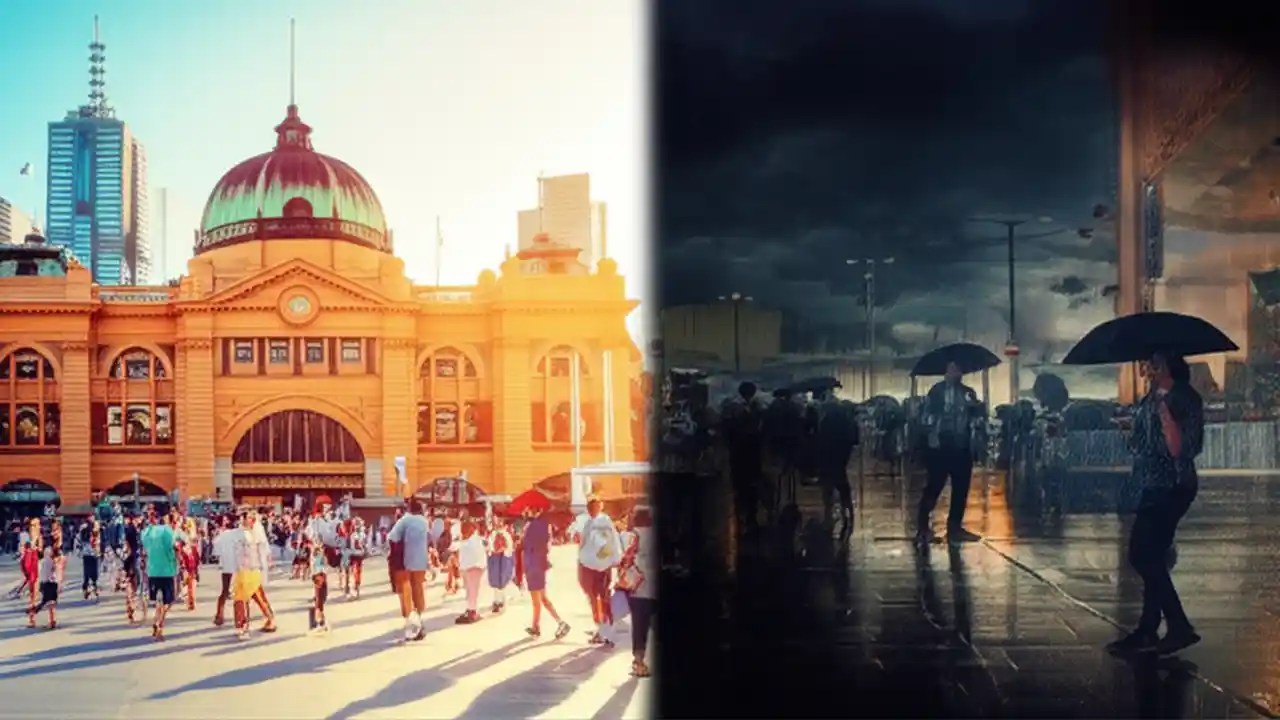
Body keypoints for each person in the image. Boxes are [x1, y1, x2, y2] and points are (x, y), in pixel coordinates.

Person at [1107, 352, 1204, 656]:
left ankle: (1178, 626)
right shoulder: (1148, 397)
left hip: (1173, 485)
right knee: (1152, 555)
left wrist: (1164, 414)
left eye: (1151, 363)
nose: (1145, 368)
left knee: (1141, 554)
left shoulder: (1184, 397)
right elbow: (1141, 444)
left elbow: (1183, 449)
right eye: (1145, 363)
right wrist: (1128, 430)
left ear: (1165, 365)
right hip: (1150, 484)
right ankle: (1149, 629)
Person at [917, 361, 984, 545]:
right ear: (947, 371)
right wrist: (933, 433)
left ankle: (955, 527)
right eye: (954, 369)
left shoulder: (968, 392)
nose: (957, 373)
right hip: (941, 446)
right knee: (934, 486)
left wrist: (977, 409)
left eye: (960, 370)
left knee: (961, 488)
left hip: (962, 445)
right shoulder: (937, 391)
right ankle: (922, 527)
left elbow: (976, 417)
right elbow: (926, 416)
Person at [578, 496, 624, 647]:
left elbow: (611, 542)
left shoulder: (604, 522)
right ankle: (601, 629)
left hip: (601, 566)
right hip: (590, 566)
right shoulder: (589, 523)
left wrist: (609, 560)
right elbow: (584, 543)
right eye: (590, 508)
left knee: (603, 598)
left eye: (595, 507)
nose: (592, 510)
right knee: (593, 597)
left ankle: (608, 632)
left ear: (600, 507)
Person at [521, 508, 571, 640]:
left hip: (534, 564)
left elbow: (533, 546)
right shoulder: (541, 525)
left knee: (540, 599)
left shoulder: (536, 525)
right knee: (540, 598)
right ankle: (536, 626)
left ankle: (559, 622)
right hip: (536, 564)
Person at [387, 498, 431, 642]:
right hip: (421, 562)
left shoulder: (405, 520)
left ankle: (412, 628)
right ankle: (419, 621)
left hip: (406, 562)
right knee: (418, 591)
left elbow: (392, 537)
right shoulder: (424, 522)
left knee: (407, 594)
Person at [620, 506, 656, 678]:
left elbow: (624, 559)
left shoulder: (632, 536)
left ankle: (639, 661)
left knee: (639, 625)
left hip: (637, 587)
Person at [140, 511, 178, 640]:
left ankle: (157, 618)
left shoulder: (146, 532)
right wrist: (175, 560)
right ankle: (160, 621)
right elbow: (171, 548)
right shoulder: (167, 531)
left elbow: (144, 549)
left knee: (157, 599)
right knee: (168, 601)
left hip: (152, 571)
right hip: (167, 570)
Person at [456, 520, 487, 624]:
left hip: (474, 567)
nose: (462, 531)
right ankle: (470, 609)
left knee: (472, 591)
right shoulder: (472, 540)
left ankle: (472, 612)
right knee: (470, 590)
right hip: (471, 568)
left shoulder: (474, 540)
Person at [212, 515, 239, 627]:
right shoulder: (237, 535)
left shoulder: (221, 535)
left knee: (224, 591)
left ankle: (219, 615)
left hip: (226, 566)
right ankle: (239, 617)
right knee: (239, 593)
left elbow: (216, 552)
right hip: (238, 566)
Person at [487, 519, 515, 614]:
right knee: (497, 582)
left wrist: (500, 550)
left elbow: (509, 548)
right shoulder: (494, 534)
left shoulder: (505, 534)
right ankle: (497, 601)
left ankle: (501, 601)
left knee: (502, 582)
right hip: (497, 559)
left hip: (502, 560)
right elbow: (490, 547)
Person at [27, 546, 59, 630]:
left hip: (48, 583)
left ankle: (33, 615)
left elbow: (42, 574)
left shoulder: (45, 561)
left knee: (48, 603)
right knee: (50, 603)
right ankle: (52, 621)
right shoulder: (49, 560)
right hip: (51, 583)